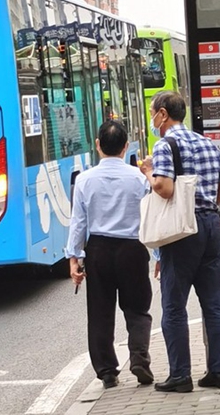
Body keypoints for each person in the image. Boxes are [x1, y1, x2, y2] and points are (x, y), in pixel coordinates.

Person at [139, 90, 220, 393]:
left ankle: (180, 375)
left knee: (175, 305)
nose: (153, 118)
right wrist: (206, 205)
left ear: (164, 114)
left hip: (183, 231)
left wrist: (148, 172)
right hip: (210, 224)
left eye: (154, 111)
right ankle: (219, 372)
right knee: (214, 303)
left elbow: (164, 189)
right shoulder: (208, 143)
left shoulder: (165, 145)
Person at [66, 120, 154, 390]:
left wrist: (74, 257)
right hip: (132, 248)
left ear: (97, 145)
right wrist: (159, 254)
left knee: (100, 312)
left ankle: (107, 371)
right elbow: (150, 218)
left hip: (99, 250)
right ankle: (139, 358)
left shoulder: (84, 180)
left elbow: (78, 222)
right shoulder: (140, 179)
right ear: (126, 146)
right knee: (138, 309)